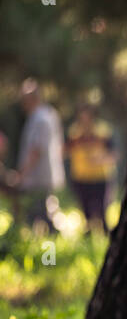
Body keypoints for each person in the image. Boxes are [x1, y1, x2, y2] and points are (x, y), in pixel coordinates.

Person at [3, 79, 66, 233]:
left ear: (32, 99)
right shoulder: (46, 114)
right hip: (42, 175)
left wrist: (21, 174)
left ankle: (50, 252)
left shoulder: (40, 119)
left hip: (38, 176)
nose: (22, 104)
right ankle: (49, 248)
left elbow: (36, 150)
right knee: (41, 212)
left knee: (40, 214)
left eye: (24, 100)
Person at [65, 102, 116, 234]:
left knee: (102, 211)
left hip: (100, 177)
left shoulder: (103, 132)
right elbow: (65, 151)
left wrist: (100, 160)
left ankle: (105, 236)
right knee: (86, 212)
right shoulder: (74, 133)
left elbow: (114, 154)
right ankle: (88, 237)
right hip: (81, 177)